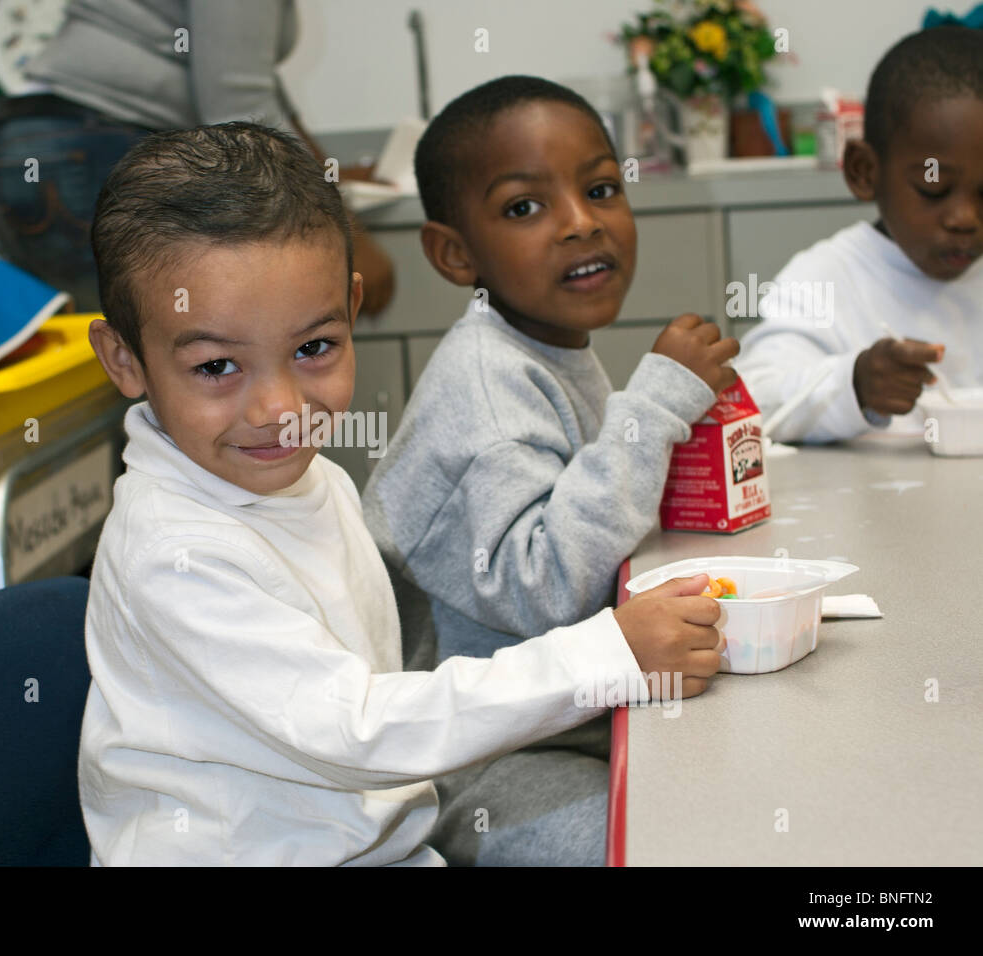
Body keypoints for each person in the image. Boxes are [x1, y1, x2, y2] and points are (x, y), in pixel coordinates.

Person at [78, 121, 724, 866]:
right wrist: (603, 656)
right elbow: (356, 728)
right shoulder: (175, 553)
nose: (280, 409)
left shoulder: (304, 476)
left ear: (351, 310)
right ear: (124, 359)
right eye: (218, 367)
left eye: (313, 349)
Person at [360, 75, 738, 864]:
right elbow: (545, 591)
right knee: (648, 845)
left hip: (576, 711)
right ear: (454, 252)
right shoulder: (485, 390)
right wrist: (657, 406)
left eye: (601, 188)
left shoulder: (542, 349)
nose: (580, 224)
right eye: (524, 207)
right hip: (480, 760)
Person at [0, 0, 393, 314]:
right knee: (165, 370)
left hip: (32, 141)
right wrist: (345, 236)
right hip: (99, 152)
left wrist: (328, 177)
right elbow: (237, 105)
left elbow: (254, 86)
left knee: (103, 374)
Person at [734, 25, 983, 443]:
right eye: (933, 189)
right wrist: (854, 383)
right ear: (865, 172)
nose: (964, 219)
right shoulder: (822, 280)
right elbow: (753, 399)